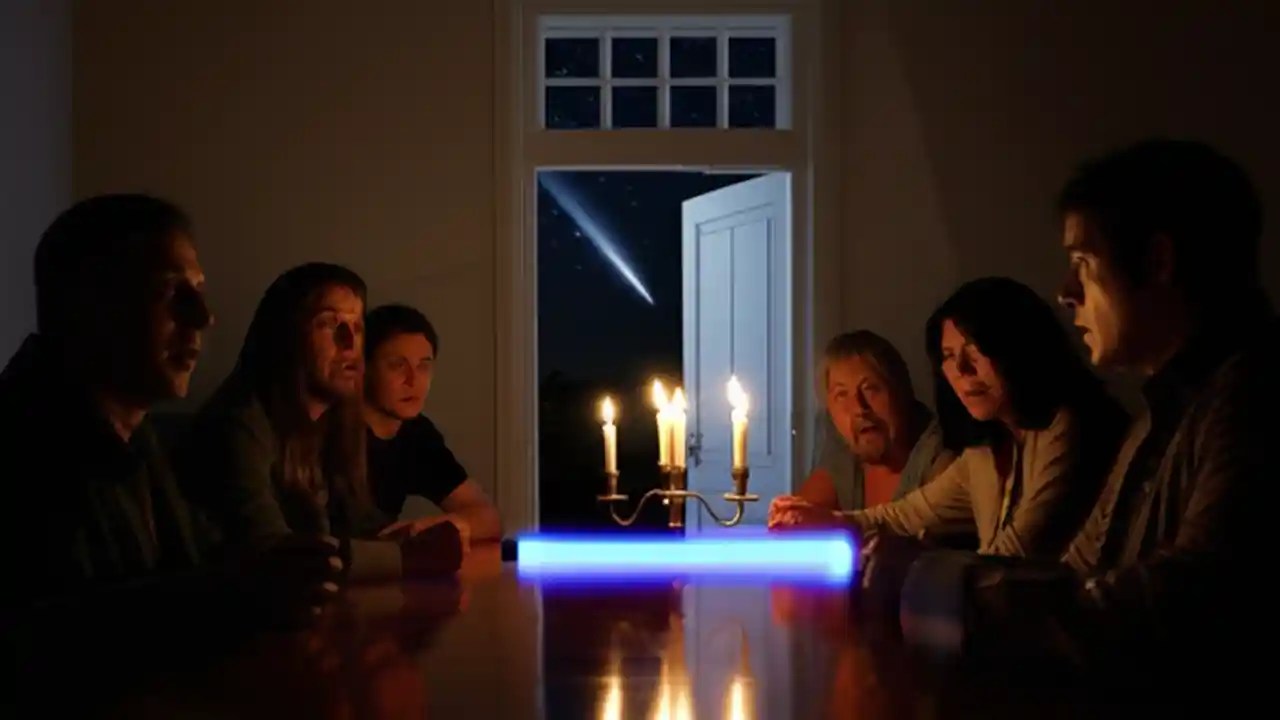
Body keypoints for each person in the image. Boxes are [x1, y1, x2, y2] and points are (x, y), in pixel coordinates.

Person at [956, 139, 1277, 688]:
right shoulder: (1154, 416)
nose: (1066, 292)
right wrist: (929, 574)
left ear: (1158, 261)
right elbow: (1077, 570)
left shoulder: (1252, 397)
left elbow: (1189, 597)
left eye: (1083, 263)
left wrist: (949, 595)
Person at [0, 196, 341, 681]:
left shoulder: (136, 435)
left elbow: (201, 562)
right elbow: (32, 640)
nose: (203, 316)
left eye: (198, 290)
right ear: (86, 305)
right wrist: (235, 594)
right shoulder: (22, 439)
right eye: (169, 292)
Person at [772, 277, 1128, 560]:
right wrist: (829, 521)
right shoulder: (984, 451)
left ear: (1017, 348)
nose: (961, 369)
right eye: (948, 355)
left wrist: (916, 570)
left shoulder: (1064, 427)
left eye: (975, 351)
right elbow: (904, 515)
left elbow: (1016, 558)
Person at [177, 263, 464, 582]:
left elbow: (359, 525)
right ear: (287, 335)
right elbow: (272, 554)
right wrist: (407, 557)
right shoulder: (239, 424)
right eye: (328, 323)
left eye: (357, 327)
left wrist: (419, 535)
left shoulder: (333, 423)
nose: (349, 342)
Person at [363, 304, 501, 541]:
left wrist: (441, 527)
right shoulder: (332, 429)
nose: (413, 380)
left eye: (423, 366)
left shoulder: (416, 434)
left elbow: (489, 518)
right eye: (397, 366)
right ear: (364, 368)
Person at [798, 330, 954, 514]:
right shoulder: (842, 450)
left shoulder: (939, 454)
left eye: (870, 389)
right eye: (841, 394)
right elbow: (803, 511)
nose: (859, 408)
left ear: (902, 391)